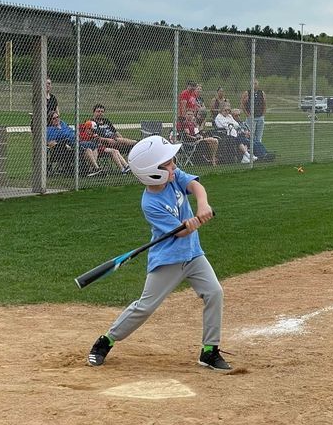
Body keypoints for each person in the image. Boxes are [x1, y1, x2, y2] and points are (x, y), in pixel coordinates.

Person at [87, 134, 231, 372]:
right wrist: (191, 224)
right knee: (145, 306)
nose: (173, 166)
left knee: (214, 292)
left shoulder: (173, 177)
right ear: (152, 171)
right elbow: (180, 232)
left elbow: (195, 186)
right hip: (168, 259)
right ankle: (106, 341)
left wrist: (202, 205)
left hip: (194, 254)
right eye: (167, 164)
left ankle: (209, 351)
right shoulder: (150, 203)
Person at [241, 78, 267, 144]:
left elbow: (264, 104)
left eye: (255, 84)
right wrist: (247, 114)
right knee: (250, 135)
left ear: (258, 85)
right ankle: (250, 148)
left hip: (260, 117)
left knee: (259, 135)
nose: (254, 85)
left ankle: (259, 147)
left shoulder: (261, 93)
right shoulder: (247, 93)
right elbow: (242, 104)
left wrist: (263, 114)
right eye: (253, 84)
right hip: (251, 117)